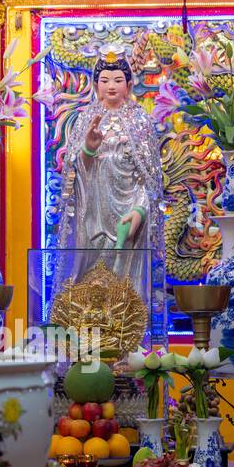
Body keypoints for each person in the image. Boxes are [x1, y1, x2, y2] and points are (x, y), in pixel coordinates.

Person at [55, 53, 163, 300]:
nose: (111, 86)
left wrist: (141, 210)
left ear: (129, 85)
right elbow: (74, 172)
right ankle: (90, 327)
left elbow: (150, 178)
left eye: (117, 80)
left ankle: (126, 331)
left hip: (128, 211)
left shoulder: (140, 121)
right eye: (104, 80)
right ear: (96, 86)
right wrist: (89, 149)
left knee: (124, 284)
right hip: (92, 214)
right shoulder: (85, 120)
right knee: (91, 284)